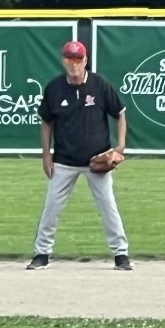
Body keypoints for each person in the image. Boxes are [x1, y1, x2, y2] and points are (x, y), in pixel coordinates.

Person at [28, 39, 131, 272]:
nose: (73, 63)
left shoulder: (99, 85)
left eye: (78, 59)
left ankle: (121, 254)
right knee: (52, 206)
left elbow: (120, 113)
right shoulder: (54, 87)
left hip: (97, 160)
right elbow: (46, 121)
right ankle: (42, 253)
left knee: (108, 205)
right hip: (64, 160)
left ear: (85, 61)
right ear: (64, 61)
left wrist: (120, 146)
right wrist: (46, 155)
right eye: (69, 59)